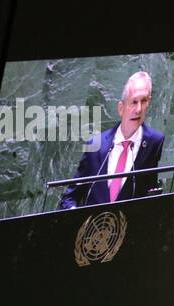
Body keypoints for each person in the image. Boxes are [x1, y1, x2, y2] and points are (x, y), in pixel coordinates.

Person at [59, 71, 165, 209]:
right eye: (133, 102)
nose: (139, 109)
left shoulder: (154, 142)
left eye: (144, 101)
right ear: (121, 108)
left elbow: (149, 192)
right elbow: (71, 196)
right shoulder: (95, 144)